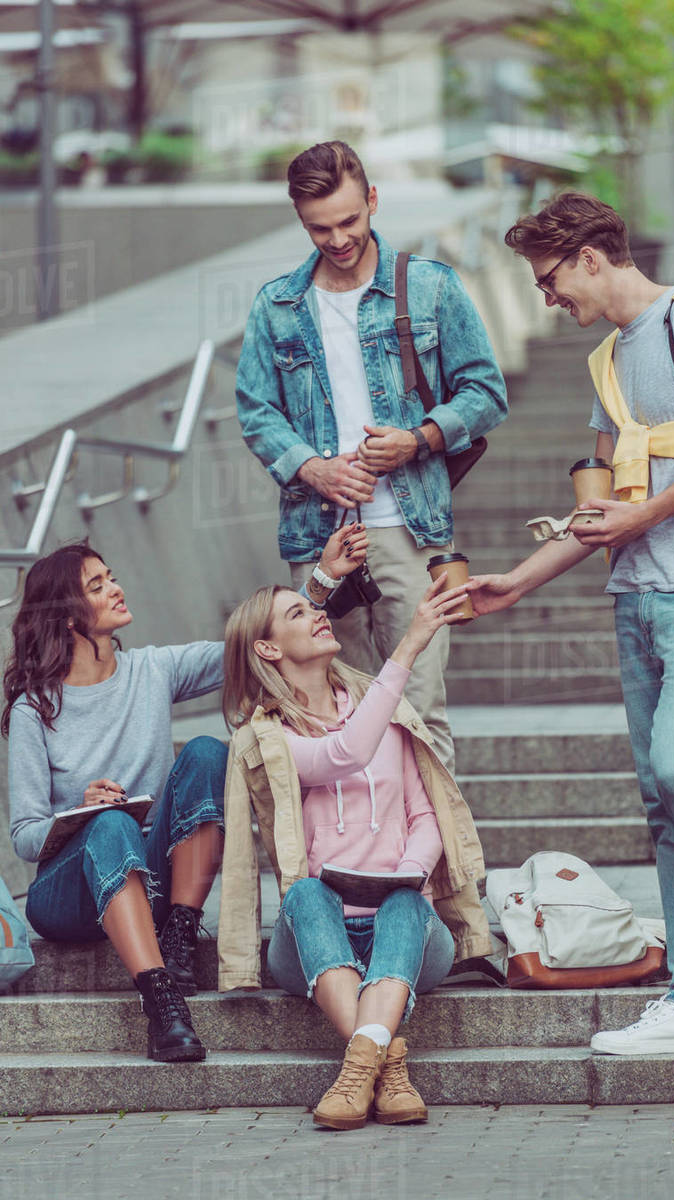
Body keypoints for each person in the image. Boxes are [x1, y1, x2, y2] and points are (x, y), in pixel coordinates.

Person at [467, 192, 674, 1057]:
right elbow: (604, 506)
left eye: (549, 279)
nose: (546, 296)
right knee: (661, 800)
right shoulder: (608, 360)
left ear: (588, 256)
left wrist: (645, 517)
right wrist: (518, 582)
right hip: (635, 592)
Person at [2, 529, 363, 1063]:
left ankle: (179, 935)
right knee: (111, 824)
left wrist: (323, 581)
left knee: (207, 752)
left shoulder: (152, 670)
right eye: (97, 586)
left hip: (151, 877)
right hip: (68, 895)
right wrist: (81, 811)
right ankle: (161, 1002)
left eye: (111, 578)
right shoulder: (35, 709)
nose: (116, 589)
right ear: (69, 618)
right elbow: (25, 837)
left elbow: (251, 644)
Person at [235, 139, 508, 773]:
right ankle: (356, 841)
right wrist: (313, 468)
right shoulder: (278, 305)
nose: (337, 239)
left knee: (419, 711)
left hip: (411, 531)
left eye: (349, 221)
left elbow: (486, 393)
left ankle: (435, 842)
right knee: (330, 714)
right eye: (319, 228)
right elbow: (256, 411)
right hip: (319, 537)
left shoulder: (430, 286)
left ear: (373, 201)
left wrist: (418, 439)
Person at [218, 574, 493, 1130]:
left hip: (406, 932)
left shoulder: (385, 711)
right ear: (267, 649)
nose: (318, 614)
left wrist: (408, 874)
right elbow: (342, 754)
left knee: (405, 901)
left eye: (312, 608)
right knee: (306, 893)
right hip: (316, 940)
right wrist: (409, 645)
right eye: (297, 614)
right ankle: (385, 1066)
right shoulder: (268, 738)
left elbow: (425, 817)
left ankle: (359, 1075)